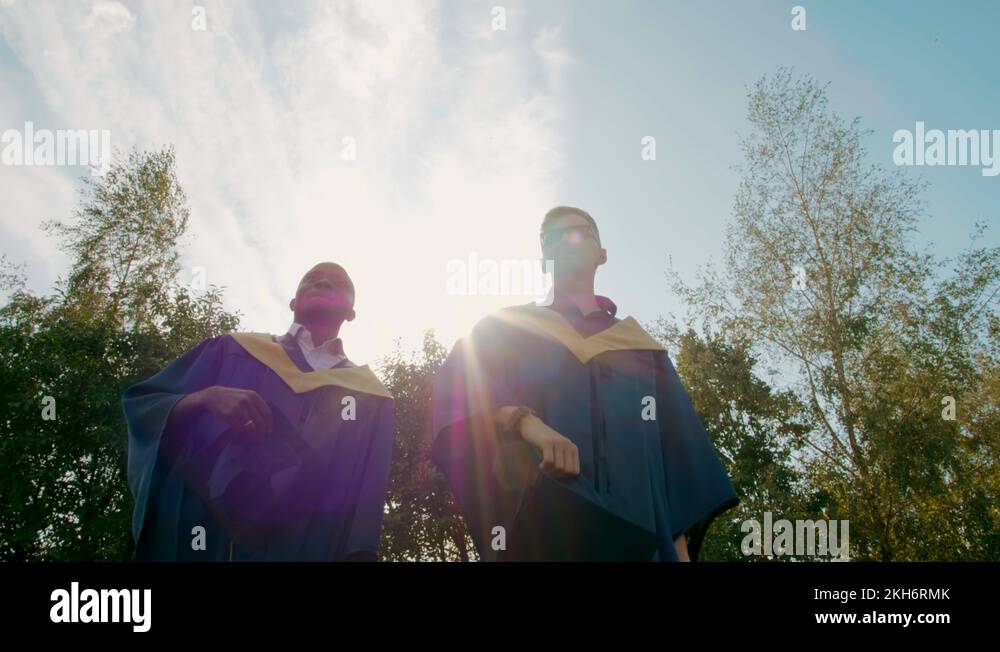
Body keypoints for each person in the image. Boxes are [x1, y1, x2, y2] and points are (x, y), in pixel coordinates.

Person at [431, 207, 739, 561]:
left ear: (602, 253)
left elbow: (676, 468)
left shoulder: (642, 349)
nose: (566, 240)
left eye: (580, 232)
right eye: (554, 236)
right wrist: (526, 423)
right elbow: (459, 387)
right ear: (544, 254)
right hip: (547, 538)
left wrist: (679, 555)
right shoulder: (506, 329)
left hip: (644, 545)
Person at [124, 262, 394, 561]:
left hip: (308, 546)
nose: (321, 283)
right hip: (211, 540)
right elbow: (144, 404)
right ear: (293, 301)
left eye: (337, 283)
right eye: (311, 279)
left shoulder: (370, 396)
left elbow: (365, 500)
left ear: (351, 312)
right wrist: (205, 397)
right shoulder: (232, 349)